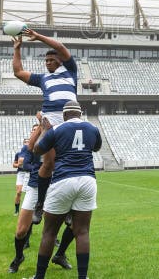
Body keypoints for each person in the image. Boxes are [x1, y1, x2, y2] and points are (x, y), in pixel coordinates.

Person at [12, 27, 78, 224]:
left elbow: (60, 46)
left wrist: (38, 36)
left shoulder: (70, 71)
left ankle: (66, 208)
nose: (48, 63)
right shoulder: (43, 79)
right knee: (48, 164)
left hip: (68, 120)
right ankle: (40, 204)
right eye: (46, 61)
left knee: (66, 165)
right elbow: (18, 72)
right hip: (49, 122)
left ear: (60, 60)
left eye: (51, 60)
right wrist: (17, 49)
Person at [31, 100, 101, 279]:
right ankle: (82, 277)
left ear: (64, 115)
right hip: (87, 179)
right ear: (80, 113)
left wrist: (45, 130)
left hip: (63, 179)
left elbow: (37, 150)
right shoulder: (92, 128)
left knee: (49, 232)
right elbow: (97, 147)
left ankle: (39, 277)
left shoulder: (58, 129)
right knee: (83, 231)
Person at [9, 123, 75, 274]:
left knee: (75, 224)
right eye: (34, 130)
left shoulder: (57, 140)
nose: (36, 132)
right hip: (35, 186)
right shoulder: (31, 146)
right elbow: (25, 163)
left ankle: (60, 254)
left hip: (57, 185)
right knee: (20, 231)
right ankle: (19, 257)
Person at [12, 139, 31, 215]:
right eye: (25, 142)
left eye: (28, 142)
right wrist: (19, 165)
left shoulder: (31, 153)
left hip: (29, 172)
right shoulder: (18, 154)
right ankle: (16, 210)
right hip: (21, 173)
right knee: (19, 192)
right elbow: (14, 165)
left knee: (28, 192)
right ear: (23, 143)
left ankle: (28, 210)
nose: (27, 143)